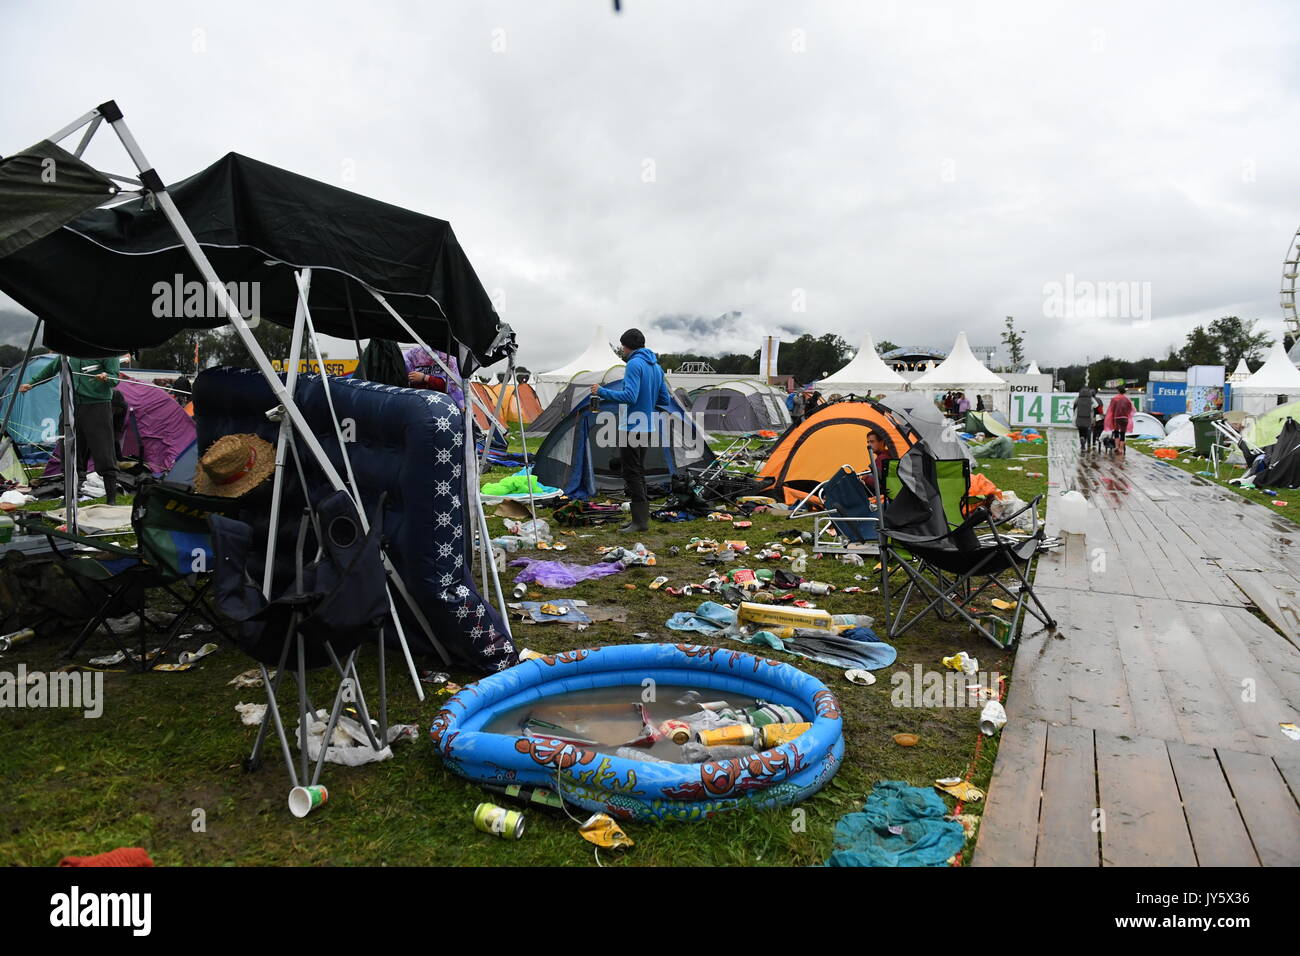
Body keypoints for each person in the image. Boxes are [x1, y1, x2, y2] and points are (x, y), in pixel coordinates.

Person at [590, 328, 672, 532]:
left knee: (631, 472)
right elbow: (665, 399)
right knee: (637, 470)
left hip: (631, 427)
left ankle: (640, 522)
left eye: (622, 347)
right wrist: (648, 401)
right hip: (648, 427)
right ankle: (639, 519)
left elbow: (629, 396)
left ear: (626, 346)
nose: (622, 351)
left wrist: (602, 392)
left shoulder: (634, 364)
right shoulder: (656, 367)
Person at [20, 355, 121, 504]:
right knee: (69, 452)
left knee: (103, 452)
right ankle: (69, 496)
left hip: (97, 407)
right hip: (70, 408)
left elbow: (115, 379)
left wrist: (106, 377)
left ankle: (111, 498)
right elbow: (51, 369)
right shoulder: (67, 353)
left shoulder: (106, 352)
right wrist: (32, 383)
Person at [1105, 386, 1135, 455]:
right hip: (1125, 418)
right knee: (1122, 433)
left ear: (1118, 391)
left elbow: (1111, 409)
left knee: (1116, 432)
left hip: (1116, 418)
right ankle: (1121, 449)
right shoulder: (1127, 400)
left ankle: (1116, 447)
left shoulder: (1115, 399)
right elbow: (1130, 409)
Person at [1073, 386, 1101, 453]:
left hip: (1079, 417)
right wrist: (1091, 407)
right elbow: (1096, 405)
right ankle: (1084, 441)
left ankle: (1081, 439)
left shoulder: (1078, 398)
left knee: (1080, 430)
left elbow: (1074, 405)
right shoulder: (1091, 399)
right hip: (1088, 417)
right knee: (1086, 430)